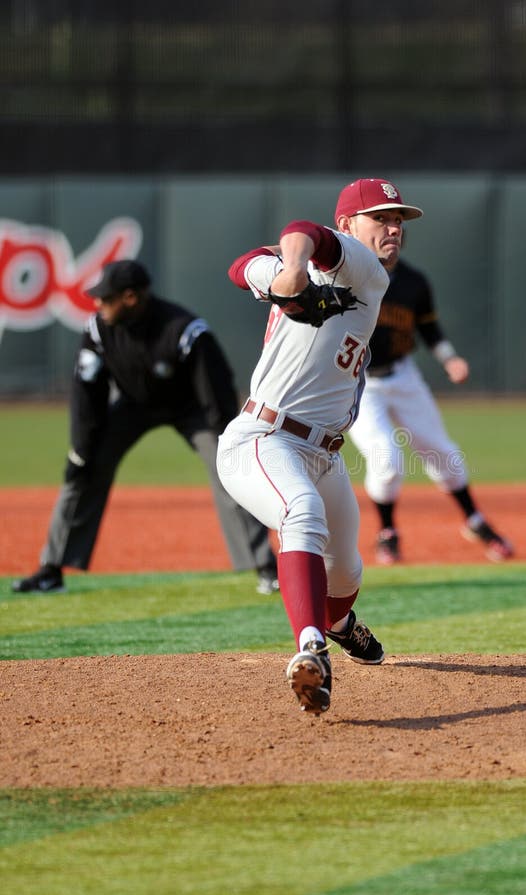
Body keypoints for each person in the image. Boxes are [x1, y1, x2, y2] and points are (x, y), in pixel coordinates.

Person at [217, 178, 423, 715]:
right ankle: (311, 648)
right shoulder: (342, 257)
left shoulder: (369, 272)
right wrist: (285, 272)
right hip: (263, 438)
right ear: (349, 224)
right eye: (382, 217)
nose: (394, 228)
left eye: (399, 220)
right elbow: (272, 248)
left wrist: (283, 273)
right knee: (300, 513)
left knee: (347, 572)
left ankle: (338, 624)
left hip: (324, 454)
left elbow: (267, 253)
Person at [12, 259, 278, 596]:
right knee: (85, 468)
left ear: (130, 297)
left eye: (106, 298)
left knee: (229, 468)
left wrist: (227, 439)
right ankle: (51, 569)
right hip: (133, 405)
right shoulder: (99, 329)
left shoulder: (184, 329)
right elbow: (86, 394)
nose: (98, 304)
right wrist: (81, 450)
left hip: (192, 408)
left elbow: (216, 390)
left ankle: (265, 566)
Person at [347, 255, 514, 565]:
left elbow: (428, 327)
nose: (392, 233)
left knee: (443, 452)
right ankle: (387, 531)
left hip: (403, 375)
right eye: (384, 228)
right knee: (386, 458)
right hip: (360, 382)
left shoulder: (413, 281)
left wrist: (450, 358)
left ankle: (474, 519)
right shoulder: (346, 275)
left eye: (397, 229)